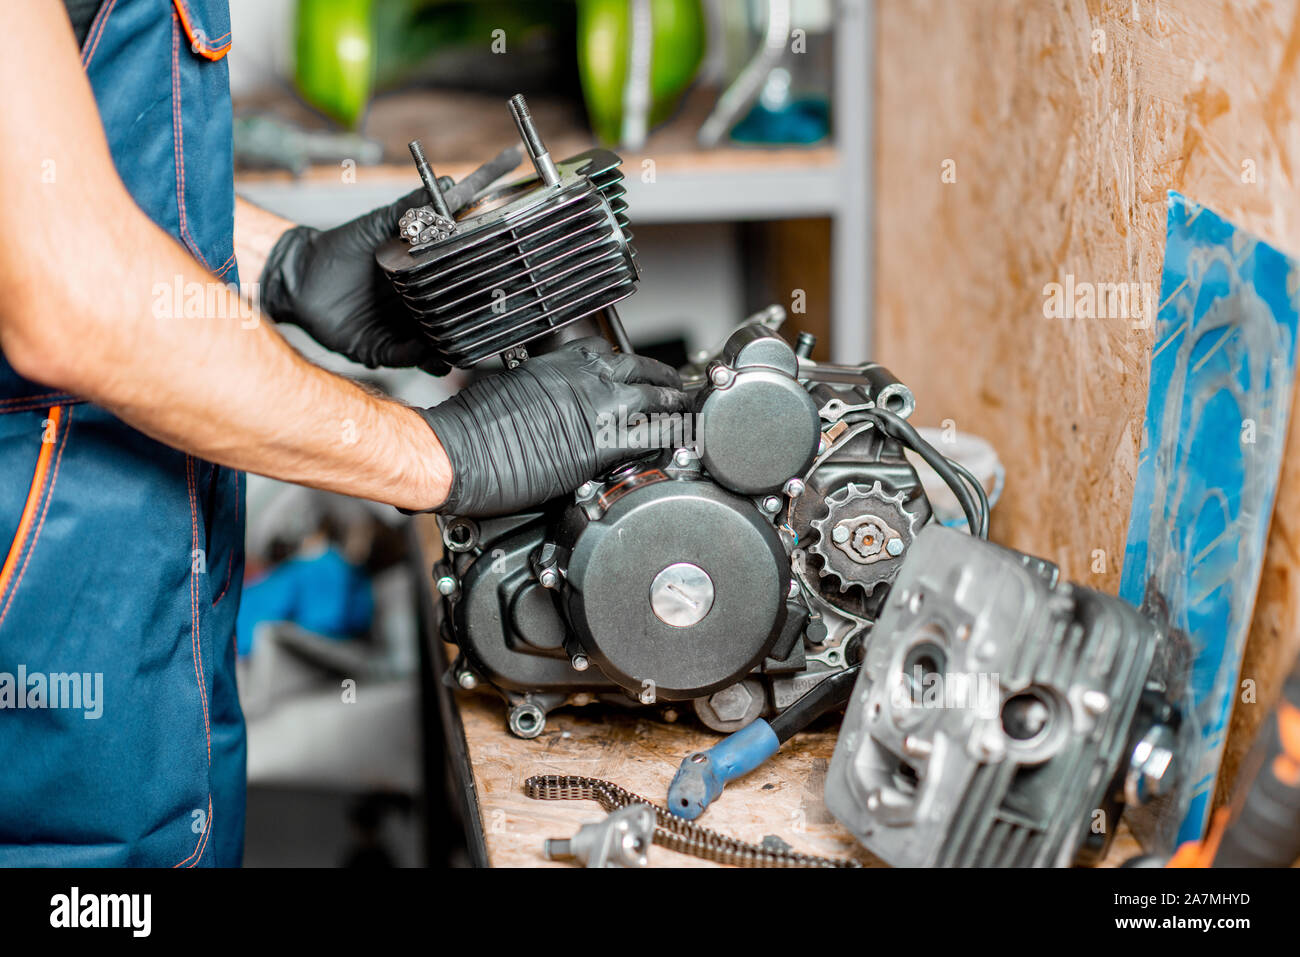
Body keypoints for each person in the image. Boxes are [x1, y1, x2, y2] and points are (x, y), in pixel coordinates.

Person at [0, 1, 684, 866]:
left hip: (138, 587)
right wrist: (437, 453)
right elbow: (69, 295)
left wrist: (281, 260)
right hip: (45, 623)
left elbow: (55, 170)